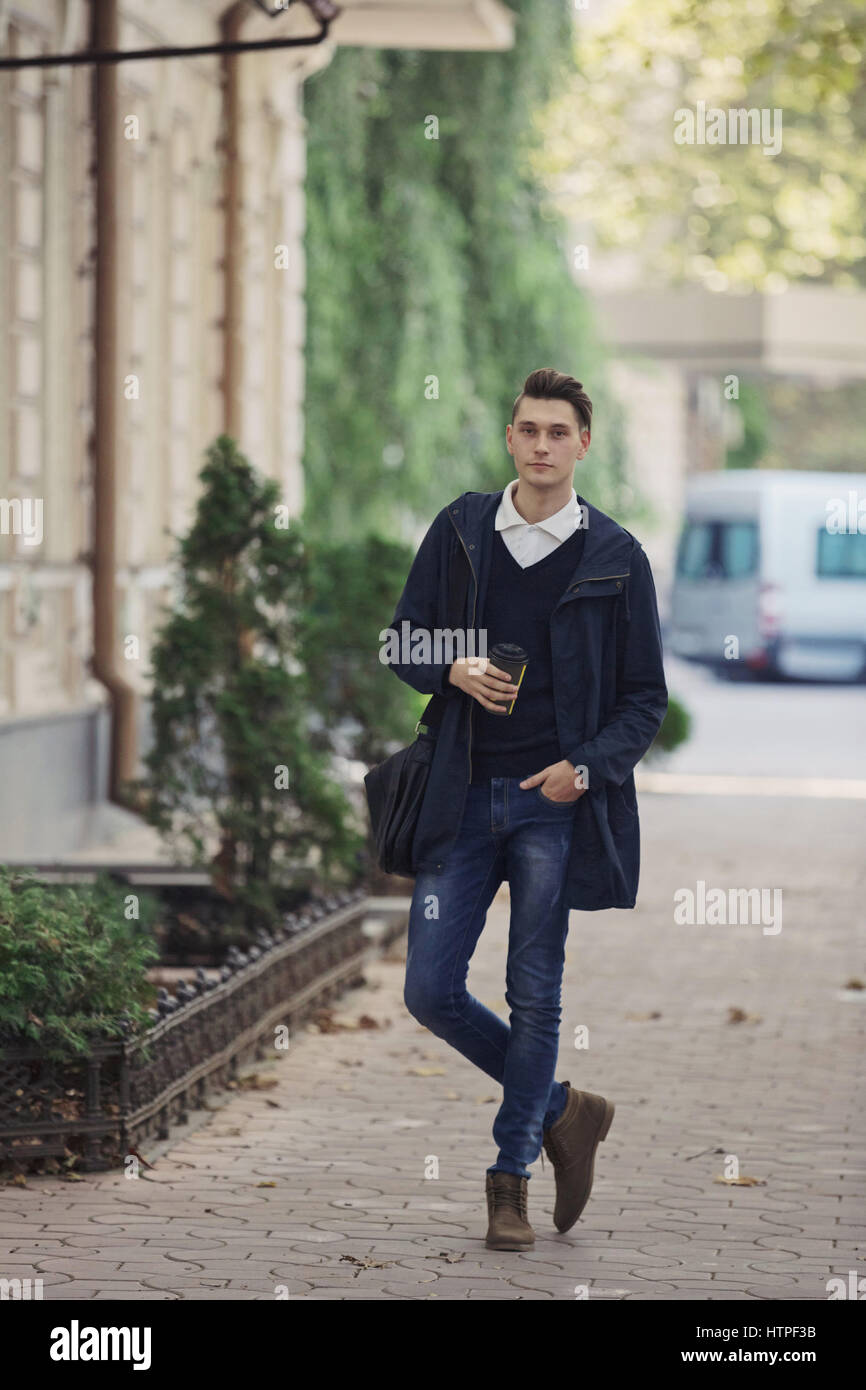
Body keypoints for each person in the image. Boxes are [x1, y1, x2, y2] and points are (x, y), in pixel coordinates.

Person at [385, 367, 668, 1250]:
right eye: (527, 430)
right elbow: (403, 638)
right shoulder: (463, 529)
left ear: (584, 444)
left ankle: (508, 1180)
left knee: (536, 998)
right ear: (510, 439)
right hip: (460, 797)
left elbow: (643, 700)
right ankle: (561, 1109)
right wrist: (451, 667)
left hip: (553, 805)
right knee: (430, 989)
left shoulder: (617, 558)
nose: (542, 445)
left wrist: (584, 769)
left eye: (558, 432)